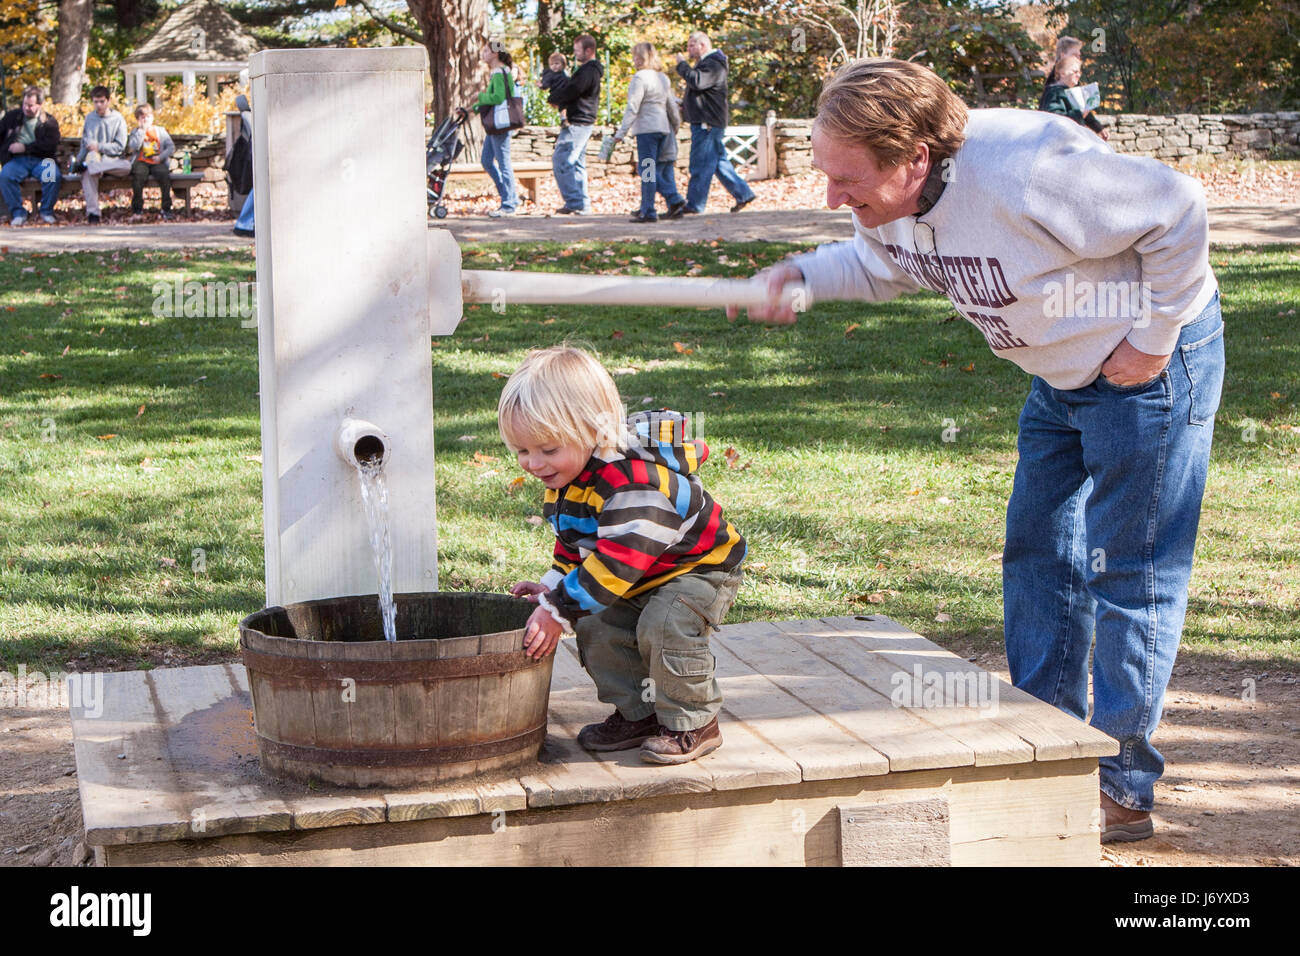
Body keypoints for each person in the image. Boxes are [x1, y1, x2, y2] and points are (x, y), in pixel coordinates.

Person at [734, 58, 1223, 844]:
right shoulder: (888, 203)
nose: (832, 198)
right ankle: (1048, 753)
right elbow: (880, 264)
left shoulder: (1027, 169)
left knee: (1130, 574)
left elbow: (1178, 209)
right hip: (1058, 375)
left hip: (1148, 371)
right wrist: (799, 274)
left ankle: (1122, 786)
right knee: (1038, 554)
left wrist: (1155, 339)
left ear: (914, 159)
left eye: (845, 179)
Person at [499, 346, 746, 764]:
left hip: (697, 567)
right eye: (523, 451)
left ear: (591, 430)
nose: (534, 463)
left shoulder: (629, 483)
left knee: (664, 625)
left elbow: (616, 563)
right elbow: (578, 545)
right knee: (594, 621)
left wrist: (559, 610)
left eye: (547, 449)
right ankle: (641, 712)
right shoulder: (569, 474)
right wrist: (553, 588)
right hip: (636, 569)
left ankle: (694, 721)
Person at [674, 31, 756, 215]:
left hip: (707, 123)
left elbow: (697, 82)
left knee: (700, 163)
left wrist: (682, 65)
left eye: (691, 46)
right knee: (719, 162)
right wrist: (685, 106)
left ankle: (695, 205)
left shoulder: (713, 64)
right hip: (707, 121)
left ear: (702, 45)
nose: (688, 50)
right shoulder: (708, 64)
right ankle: (743, 193)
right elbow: (703, 93)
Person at [613, 42, 686, 223]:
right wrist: (675, 127)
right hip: (663, 128)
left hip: (646, 130)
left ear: (640, 58)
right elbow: (670, 106)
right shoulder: (662, 78)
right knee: (651, 170)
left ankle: (666, 202)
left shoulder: (639, 78)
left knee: (647, 171)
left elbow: (633, 107)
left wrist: (621, 132)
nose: (633, 60)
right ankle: (647, 207)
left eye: (635, 56)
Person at [545, 34, 603, 215]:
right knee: (577, 163)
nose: (575, 53)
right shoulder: (587, 70)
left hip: (579, 122)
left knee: (562, 160)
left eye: (578, 50)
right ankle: (582, 203)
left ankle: (575, 201)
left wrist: (554, 98)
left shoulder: (588, 71)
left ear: (588, 50)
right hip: (580, 120)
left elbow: (573, 90)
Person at [467, 41, 521, 218]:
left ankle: (509, 203)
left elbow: (497, 98)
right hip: (496, 125)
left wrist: (479, 96)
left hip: (500, 126)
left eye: (486, 51)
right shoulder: (500, 72)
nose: (483, 53)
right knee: (487, 160)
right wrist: (471, 109)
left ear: (495, 54)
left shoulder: (499, 73)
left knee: (503, 163)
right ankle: (508, 196)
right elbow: (492, 101)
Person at [0, 86, 62, 226]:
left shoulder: (49, 122)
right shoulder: (12, 117)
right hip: (17, 161)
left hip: (43, 160)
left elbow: (50, 146)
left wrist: (25, 148)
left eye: (30, 105)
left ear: (39, 105)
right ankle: (18, 213)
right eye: (24, 104)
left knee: (53, 175)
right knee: (5, 176)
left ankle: (46, 212)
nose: (26, 108)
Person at [76, 86, 130, 224]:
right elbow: (84, 143)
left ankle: (91, 166)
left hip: (113, 162)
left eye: (101, 101)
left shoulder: (118, 119)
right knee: (87, 174)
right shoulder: (90, 118)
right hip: (94, 160)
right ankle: (93, 214)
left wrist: (99, 147)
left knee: (127, 167)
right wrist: (78, 161)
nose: (98, 105)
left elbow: (120, 147)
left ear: (108, 101)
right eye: (95, 102)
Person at [1040, 54, 1109, 141]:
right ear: (1062, 73)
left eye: (1079, 72)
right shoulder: (1054, 93)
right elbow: (1054, 118)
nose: (1078, 75)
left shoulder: (1069, 91)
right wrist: (1079, 114)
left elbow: (1083, 113)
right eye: (1075, 72)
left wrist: (1098, 128)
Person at [126, 104, 176, 219]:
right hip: (141, 160)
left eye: (147, 116)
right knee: (138, 176)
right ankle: (137, 209)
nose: (145, 119)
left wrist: (161, 157)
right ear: (138, 119)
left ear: (152, 117)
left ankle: (166, 208)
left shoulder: (160, 131)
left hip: (157, 160)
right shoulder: (135, 132)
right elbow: (133, 147)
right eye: (142, 117)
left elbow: (171, 147)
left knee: (164, 175)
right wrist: (141, 131)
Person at [539, 52, 569, 127]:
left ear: (563, 64)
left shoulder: (564, 74)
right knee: (563, 106)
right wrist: (542, 86)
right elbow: (546, 83)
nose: (554, 66)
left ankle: (565, 119)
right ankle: (563, 120)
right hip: (556, 94)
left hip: (564, 93)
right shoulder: (551, 74)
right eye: (552, 64)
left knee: (566, 106)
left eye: (557, 63)